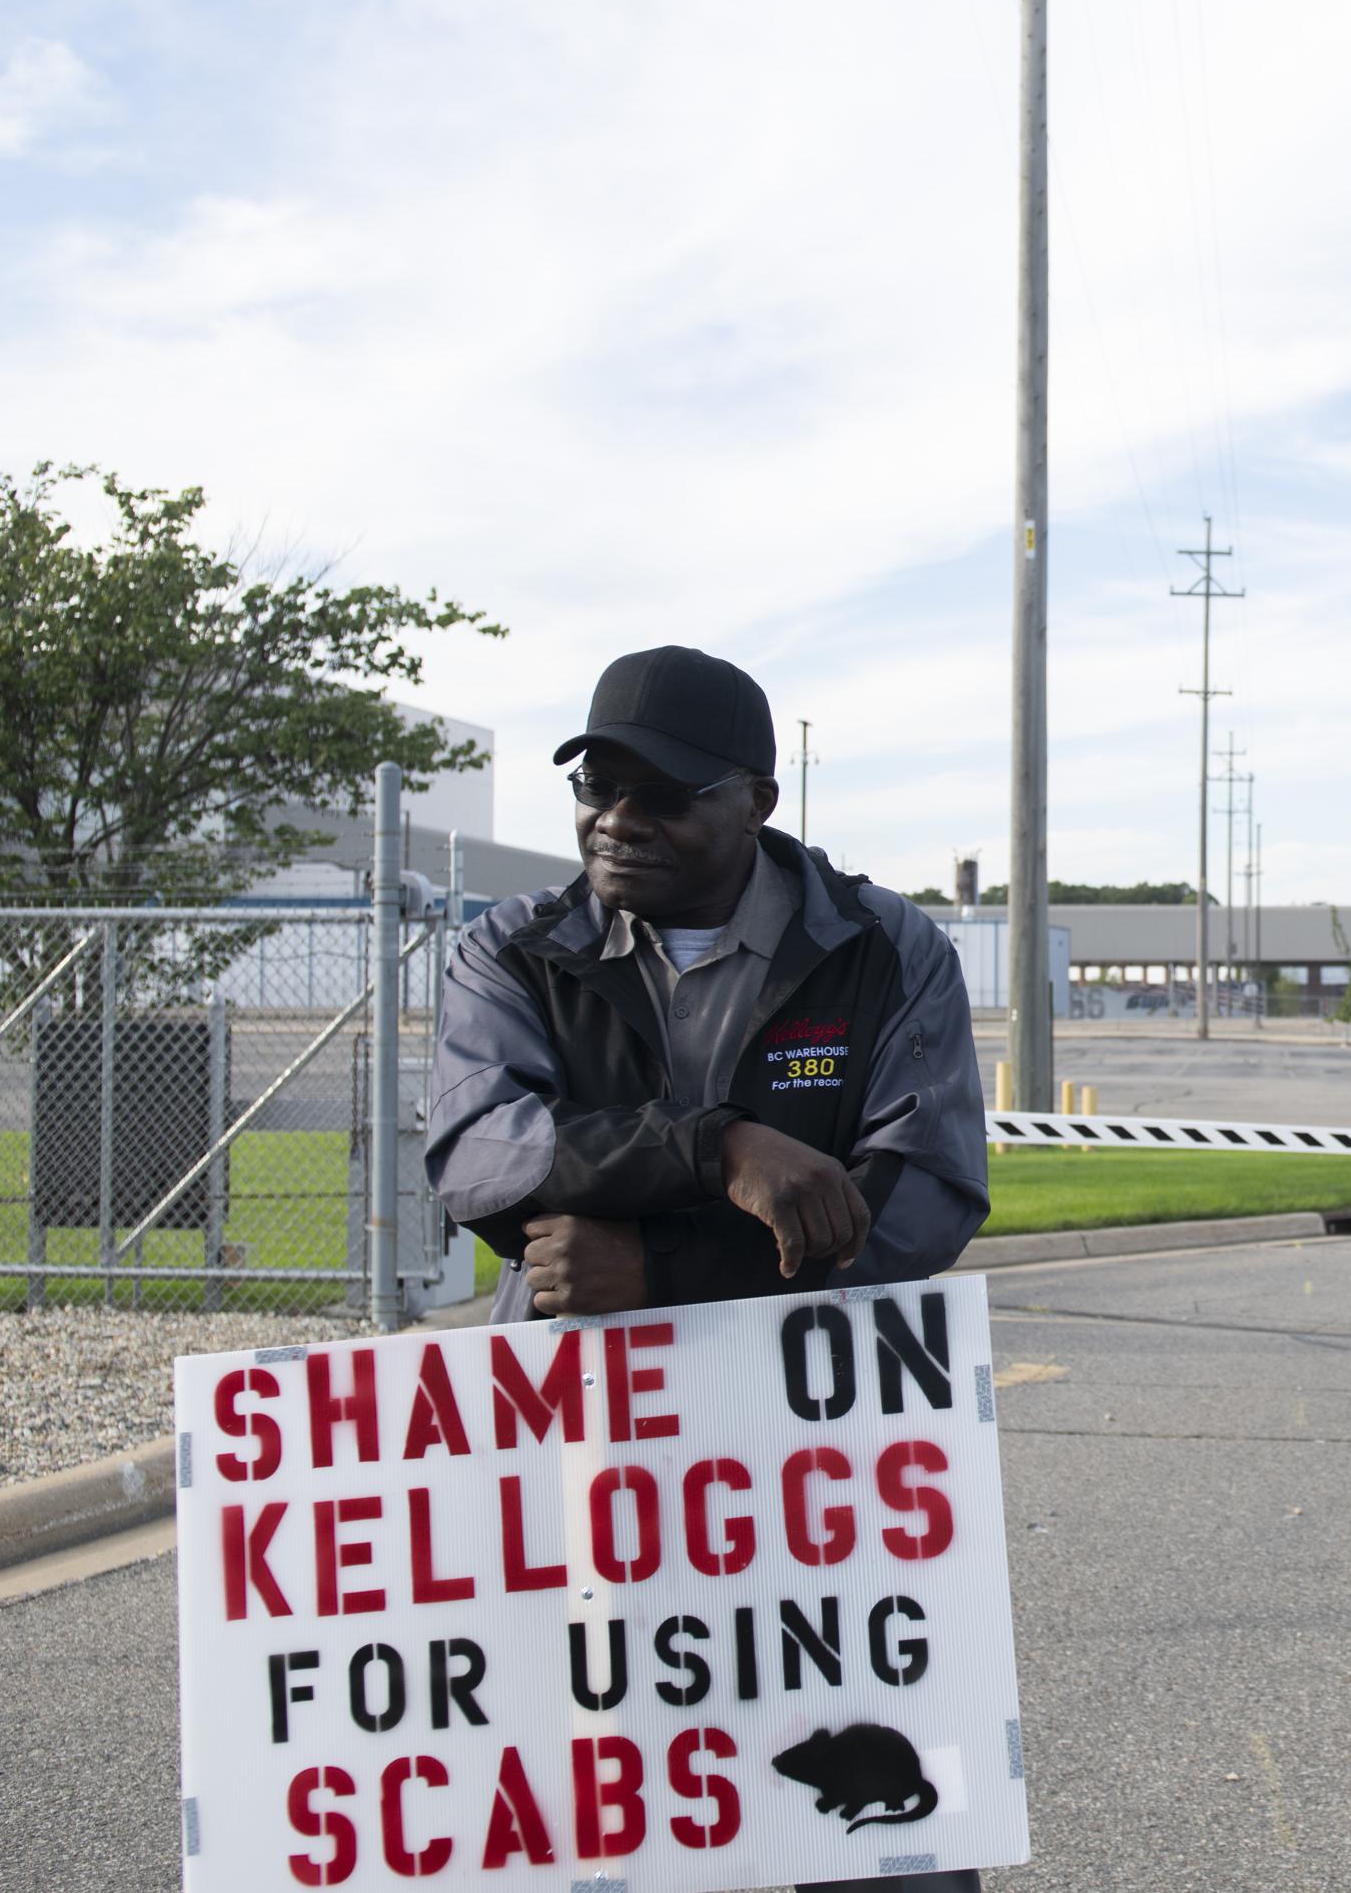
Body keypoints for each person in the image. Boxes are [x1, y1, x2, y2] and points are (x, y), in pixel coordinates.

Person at [426, 644, 990, 1893]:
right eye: (599, 785)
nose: (620, 820)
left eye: (667, 793)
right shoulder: (511, 949)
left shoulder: (884, 947)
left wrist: (660, 1271)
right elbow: (479, 1154)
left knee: (879, 1835)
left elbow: (924, 1195)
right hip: (584, 1450)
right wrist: (717, 1147)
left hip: (821, 1460)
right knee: (605, 1816)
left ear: (757, 802)